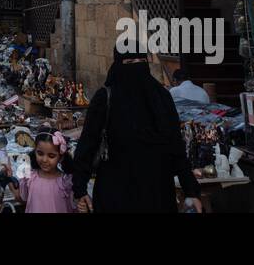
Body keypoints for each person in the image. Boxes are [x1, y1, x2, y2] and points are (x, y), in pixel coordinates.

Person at [71, 45, 203, 213]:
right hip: (117, 193)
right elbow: (88, 144)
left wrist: (191, 191)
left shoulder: (161, 97)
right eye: (130, 61)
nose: (137, 66)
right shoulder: (105, 98)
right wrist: (80, 189)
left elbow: (176, 146)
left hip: (156, 192)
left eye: (141, 61)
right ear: (119, 64)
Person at [15, 131, 76, 214]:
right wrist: (9, 181)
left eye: (51, 156)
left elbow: (74, 207)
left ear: (61, 157)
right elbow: (23, 198)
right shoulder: (29, 177)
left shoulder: (66, 181)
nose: (44, 160)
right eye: (40, 153)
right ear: (35, 151)